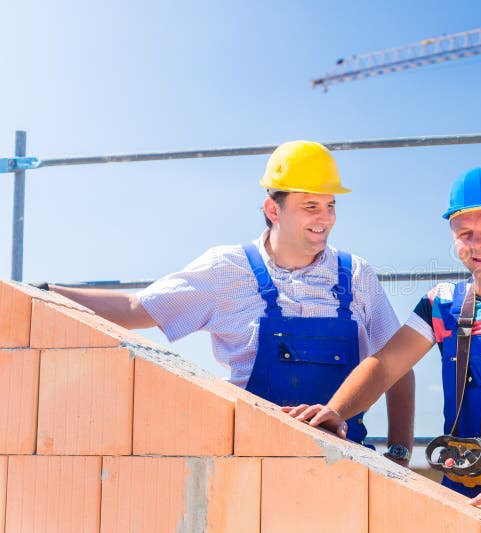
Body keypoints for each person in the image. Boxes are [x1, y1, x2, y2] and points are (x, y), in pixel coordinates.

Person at [44, 140, 415, 464]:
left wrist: (398, 453)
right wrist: (45, 292)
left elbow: (398, 364)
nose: (325, 219)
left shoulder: (356, 275)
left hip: (344, 464)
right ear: (274, 209)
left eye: (330, 205)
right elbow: (134, 309)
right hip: (250, 465)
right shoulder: (226, 269)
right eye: (310, 206)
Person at [287, 167, 481, 531]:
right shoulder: (441, 304)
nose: (477, 243)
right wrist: (337, 411)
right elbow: (387, 365)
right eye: (465, 233)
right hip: (465, 485)